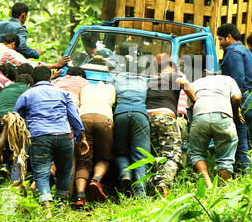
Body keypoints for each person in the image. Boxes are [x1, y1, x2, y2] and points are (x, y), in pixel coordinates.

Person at [14, 65, 84, 212]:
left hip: (40, 136)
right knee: (64, 170)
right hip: (64, 135)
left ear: (33, 79)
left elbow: (17, 116)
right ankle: (61, 203)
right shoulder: (62, 93)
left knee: (41, 172)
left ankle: (47, 209)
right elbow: (74, 117)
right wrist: (80, 137)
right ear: (50, 77)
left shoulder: (27, 94)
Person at [180, 72, 241, 187]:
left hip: (200, 117)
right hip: (223, 116)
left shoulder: (195, 83)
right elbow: (237, 97)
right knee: (226, 156)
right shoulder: (228, 79)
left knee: (196, 152)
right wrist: (235, 115)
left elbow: (190, 106)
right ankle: (222, 187)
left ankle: (208, 185)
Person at [216, 23, 252, 174]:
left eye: (221, 40)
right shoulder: (245, 51)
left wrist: (237, 105)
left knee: (239, 141)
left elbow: (237, 79)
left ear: (229, 37)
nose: (220, 44)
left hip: (240, 100)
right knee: (243, 139)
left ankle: (245, 174)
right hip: (249, 98)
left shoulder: (233, 52)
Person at [112, 49, 151, 198]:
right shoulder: (143, 81)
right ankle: (141, 193)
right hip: (140, 114)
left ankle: (125, 173)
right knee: (141, 154)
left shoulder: (117, 79)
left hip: (120, 114)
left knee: (120, 151)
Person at [145, 54, 187, 196]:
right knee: (173, 154)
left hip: (148, 118)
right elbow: (186, 85)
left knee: (157, 153)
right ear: (170, 67)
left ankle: (154, 184)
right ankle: (163, 184)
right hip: (166, 116)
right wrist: (194, 101)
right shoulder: (173, 76)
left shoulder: (150, 81)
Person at [74, 77, 116, 208]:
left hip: (83, 120)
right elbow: (113, 104)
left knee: (83, 162)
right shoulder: (111, 89)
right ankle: (96, 180)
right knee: (103, 158)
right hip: (104, 119)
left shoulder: (86, 88)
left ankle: (80, 196)